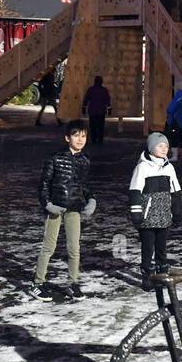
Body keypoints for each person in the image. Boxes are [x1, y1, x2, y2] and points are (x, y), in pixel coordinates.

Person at [30, 119, 96, 301]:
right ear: (67, 138)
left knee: (74, 248)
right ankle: (37, 283)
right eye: (76, 136)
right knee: (49, 247)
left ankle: (73, 283)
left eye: (83, 136)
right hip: (55, 209)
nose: (80, 139)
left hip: (74, 208)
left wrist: (91, 200)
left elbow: (85, 185)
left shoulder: (84, 160)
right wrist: (48, 203)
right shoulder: (55, 158)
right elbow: (44, 184)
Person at [129, 131, 182, 289]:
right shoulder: (143, 167)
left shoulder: (169, 168)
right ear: (151, 147)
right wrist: (137, 212)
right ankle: (147, 275)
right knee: (148, 247)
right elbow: (135, 190)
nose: (164, 148)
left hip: (164, 216)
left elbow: (176, 192)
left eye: (166, 146)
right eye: (160, 145)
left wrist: (177, 211)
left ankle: (162, 275)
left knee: (162, 248)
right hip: (147, 217)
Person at [80, 75, 112, 145]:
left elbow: (86, 99)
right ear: (101, 82)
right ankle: (100, 140)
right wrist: (109, 109)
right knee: (101, 126)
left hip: (92, 111)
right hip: (101, 111)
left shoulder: (90, 89)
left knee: (92, 126)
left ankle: (93, 140)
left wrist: (84, 108)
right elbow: (107, 100)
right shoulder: (104, 90)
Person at [165, 88, 182, 165]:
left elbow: (170, 109)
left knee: (174, 139)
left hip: (176, 122)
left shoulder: (179, 97)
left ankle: (175, 156)